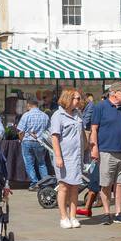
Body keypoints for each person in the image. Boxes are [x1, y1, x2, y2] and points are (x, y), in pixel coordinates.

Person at [89, 83, 121, 226]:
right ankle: (107, 213)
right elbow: (94, 129)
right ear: (113, 93)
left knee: (120, 184)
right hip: (106, 150)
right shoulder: (100, 107)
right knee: (105, 183)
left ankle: (118, 213)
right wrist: (94, 148)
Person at [50, 88, 85, 229]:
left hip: (77, 156)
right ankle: (63, 217)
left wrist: (88, 145)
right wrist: (58, 157)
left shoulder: (78, 114)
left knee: (75, 187)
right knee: (64, 186)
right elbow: (55, 137)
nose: (78, 100)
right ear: (68, 99)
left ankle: (73, 216)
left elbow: (82, 132)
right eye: (76, 98)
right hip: (64, 156)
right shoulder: (58, 115)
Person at [16, 98, 52, 190]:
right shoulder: (45, 116)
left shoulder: (26, 115)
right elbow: (49, 131)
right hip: (40, 142)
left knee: (29, 163)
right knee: (42, 163)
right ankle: (45, 183)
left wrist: (21, 140)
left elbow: (20, 131)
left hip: (27, 141)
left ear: (29, 105)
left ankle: (34, 183)